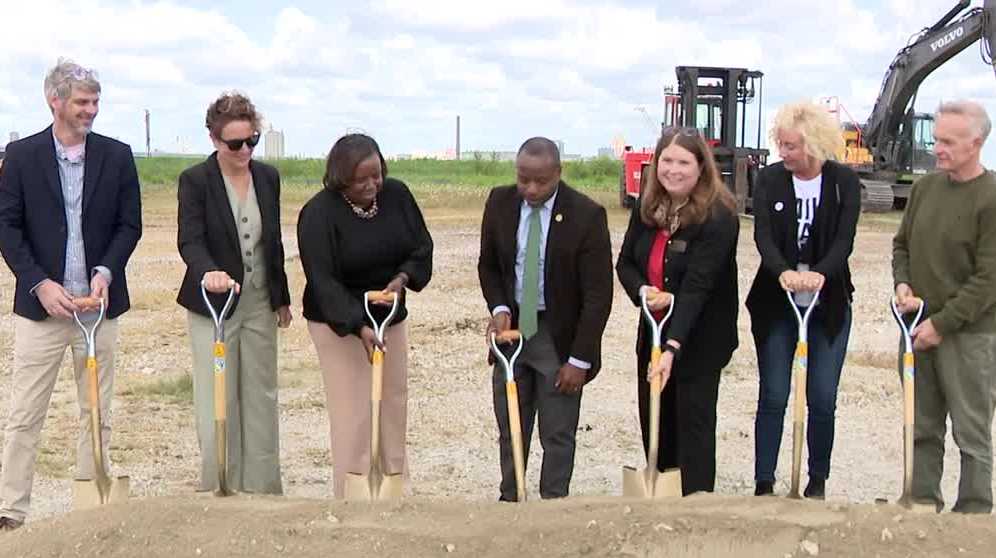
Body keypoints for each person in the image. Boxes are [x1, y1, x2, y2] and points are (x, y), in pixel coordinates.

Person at [0, 59, 142, 529]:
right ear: (54, 101)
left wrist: (106, 273)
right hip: (41, 311)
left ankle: (92, 506)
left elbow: (129, 224)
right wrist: (39, 284)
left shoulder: (118, 156)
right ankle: (10, 510)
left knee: (97, 412)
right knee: (24, 413)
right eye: (82, 102)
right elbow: (7, 226)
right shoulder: (19, 157)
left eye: (96, 101)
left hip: (97, 309)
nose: (91, 110)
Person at [478, 137, 613, 501]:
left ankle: (554, 508)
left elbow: (599, 295)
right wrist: (499, 308)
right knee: (511, 426)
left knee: (557, 431)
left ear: (558, 173)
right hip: (513, 333)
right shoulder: (500, 203)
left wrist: (579, 358)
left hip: (558, 336)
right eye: (524, 179)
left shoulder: (586, 214)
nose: (531, 189)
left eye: (541, 181)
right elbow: (489, 265)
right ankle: (511, 500)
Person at [298, 133, 432, 498]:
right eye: (362, 180)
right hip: (338, 322)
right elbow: (322, 281)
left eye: (377, 175)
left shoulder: (398, 196)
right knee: (353, 408)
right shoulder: (318, 213)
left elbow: (421, 247)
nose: (373, 185)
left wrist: (402, 279)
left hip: (388, 316)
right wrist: (358, 325)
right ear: (341, 179)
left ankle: (393, 486)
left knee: (392, 400)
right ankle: (352, 490)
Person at [176, 92, 292, 494]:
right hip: (214, 307)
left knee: (261, 396)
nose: (246, 150)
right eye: (236, 144)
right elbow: (189, 239)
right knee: (217, 399)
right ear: (214, 140)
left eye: (253, 140)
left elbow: (272, 240)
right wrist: (208, 272)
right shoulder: (195, 181)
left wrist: (282, 297)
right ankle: (221, 487)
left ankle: (262, 489)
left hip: (260, 300)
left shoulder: (268, 177)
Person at [616, 126, 739, 496]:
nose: (673, 169)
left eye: (683, 162)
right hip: (652, 331)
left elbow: (699, 286)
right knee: (656, 417)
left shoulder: (718, 216)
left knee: (693, 425)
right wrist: (643, 291)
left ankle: (696, 503)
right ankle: (662, 493)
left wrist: (672, 348)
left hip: (698, 339)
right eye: (666, 160)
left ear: (701, 166)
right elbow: (625, 263)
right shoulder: (648, 206)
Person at [747, 101, 860, 499]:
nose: (784, 153)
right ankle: (764, 481)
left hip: (827, 303)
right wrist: (783, 272)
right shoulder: (770, 179)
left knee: (823, 396)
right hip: (776, 301)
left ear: (812, 144)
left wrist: (820, 274)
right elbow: (763, 235)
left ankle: (817, 480)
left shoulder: (843, 182)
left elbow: (845, 239)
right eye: (781, 144)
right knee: (775, 393)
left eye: (791, 146)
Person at [893, 100, 996, 514]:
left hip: (970, 336)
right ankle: (921, 503)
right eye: (936, 140)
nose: (938, 149)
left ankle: (973, 513)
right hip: (917, 329)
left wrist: (942, 324)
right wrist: (902, 284)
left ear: (976, 143)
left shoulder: (991, 198)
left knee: (971, 432)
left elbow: (989, 279)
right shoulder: (923, 189)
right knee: (921, 425)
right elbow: (901, 246)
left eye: (948, 142)